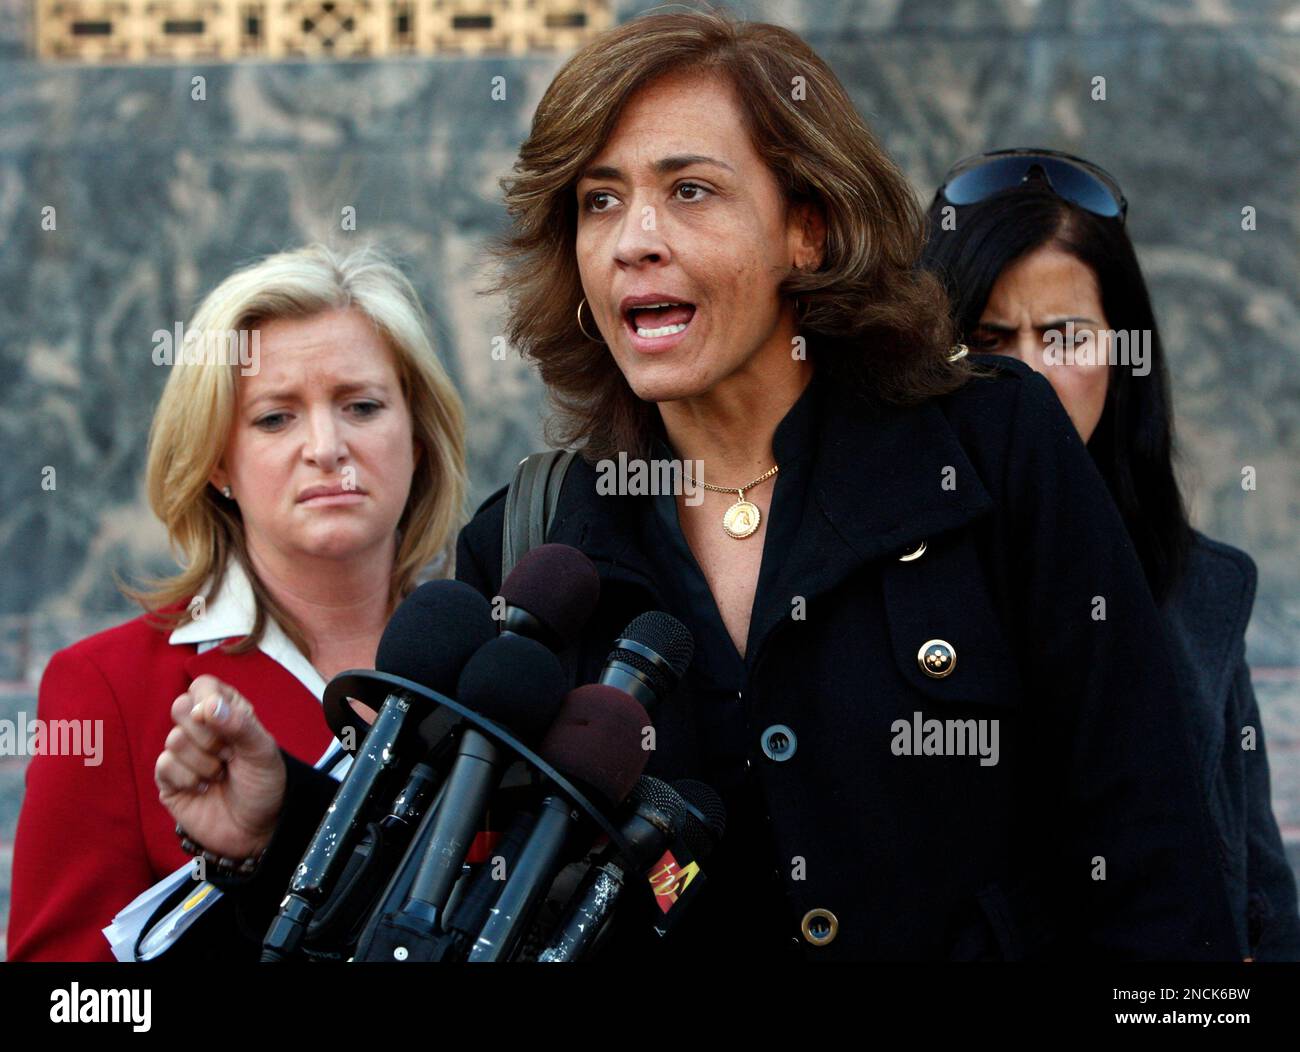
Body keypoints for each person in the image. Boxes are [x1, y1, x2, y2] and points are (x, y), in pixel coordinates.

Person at [154, 10, 1240, 961]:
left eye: (690, 190)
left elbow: (1149, 842)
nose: (635, 240)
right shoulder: (531, 546)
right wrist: (280, 824)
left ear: (804, 228)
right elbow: (449, 897)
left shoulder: (994, 447)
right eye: (599, 201)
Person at [6, 243, 467, 960]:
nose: (326, 446)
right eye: (275, 418)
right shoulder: (112, 687)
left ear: (417, 436)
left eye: (362, 406)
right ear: (218, 462)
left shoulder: (498, 671)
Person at [918, 148, 1300, 960]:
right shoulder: (875, 581)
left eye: (1064, 337)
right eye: (986, 339)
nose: (1026, 376)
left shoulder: (1198, 591)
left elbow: (1261, 904)